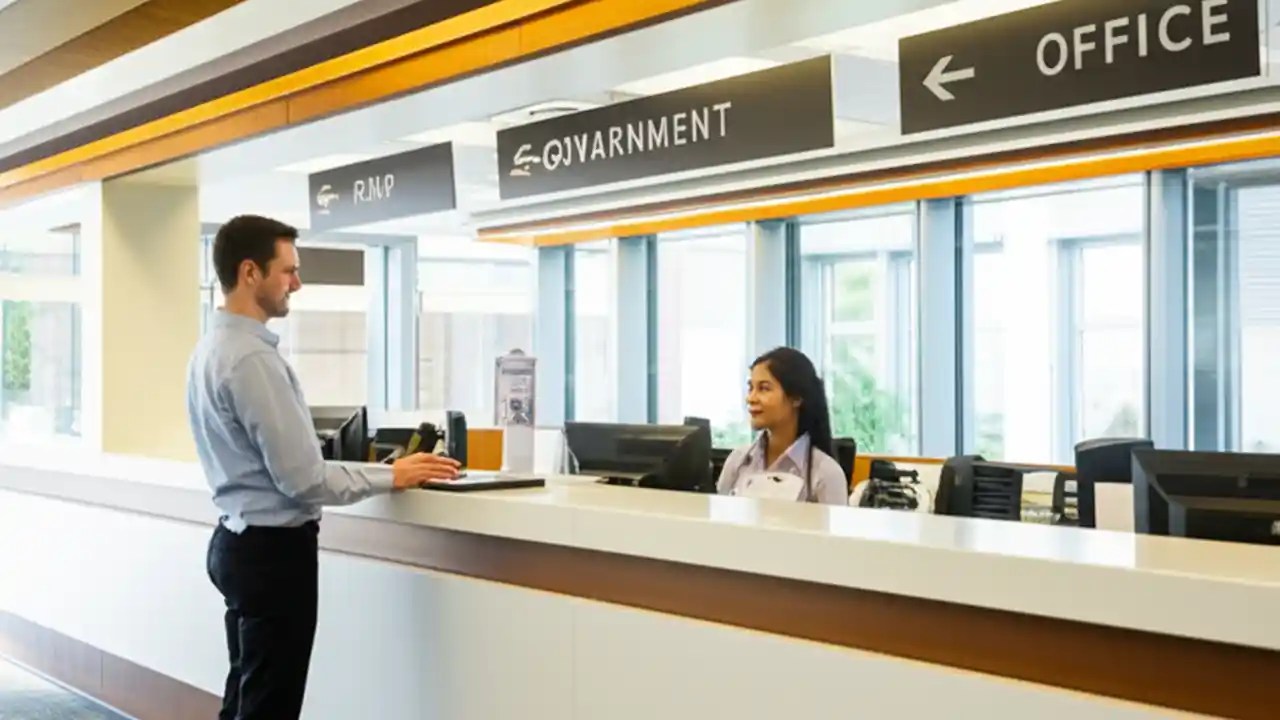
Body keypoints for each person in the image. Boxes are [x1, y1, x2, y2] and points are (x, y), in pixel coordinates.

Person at [187, 215, 460, 720]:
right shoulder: (250, 360)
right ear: (250, 272)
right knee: (270, 706)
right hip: (272, 554)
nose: (297, 282)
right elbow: (303, 478)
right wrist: (392, 475)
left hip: (237, 542)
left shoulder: (210, 349)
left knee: (245, 698)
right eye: (287, 270)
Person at [717, 347, 849, 505]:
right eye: (751, 388)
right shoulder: (738, 461)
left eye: (764, 389)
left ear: (796, 398)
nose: (751, 398)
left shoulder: (825, 473)